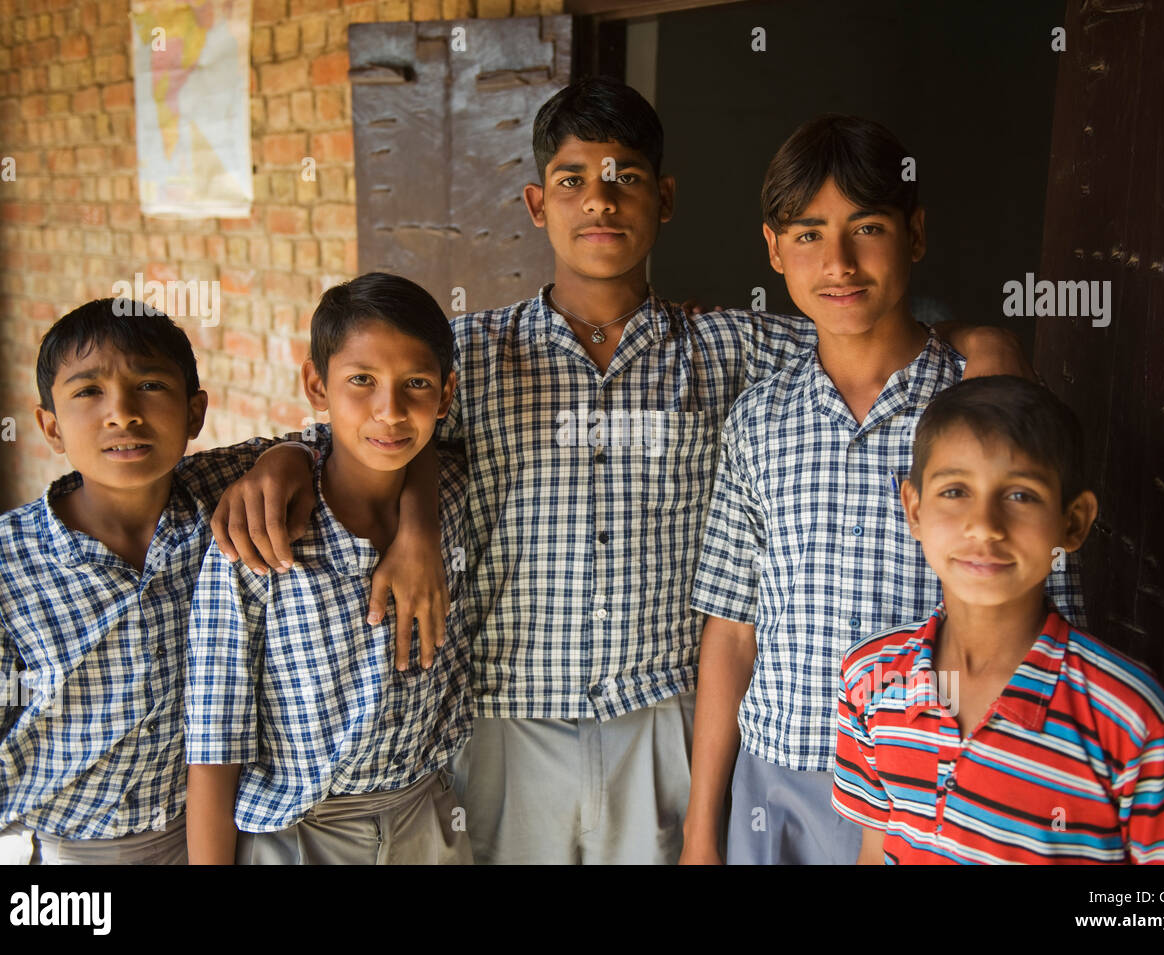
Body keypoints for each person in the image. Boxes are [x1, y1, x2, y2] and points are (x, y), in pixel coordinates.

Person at [215, 79, 1033, 865]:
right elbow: (374, 425)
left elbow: (858, 328)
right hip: (506, 718)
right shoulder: (472, 353)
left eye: (625, 179)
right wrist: (289, 455)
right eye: (571, 180)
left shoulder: (729, 349)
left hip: (661, 723)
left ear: (665, 202)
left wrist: (981, 343)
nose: (599, 201)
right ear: (538, 204)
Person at [682, 115, 1085, 865]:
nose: (838, 261)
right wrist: (703, 829)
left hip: (938, 788)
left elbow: (1053, 620)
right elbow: (733, 631)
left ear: (915, 234)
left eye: (866, 228)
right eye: (807, 234)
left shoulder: (985, 408)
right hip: (778, 788)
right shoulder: (760, 419)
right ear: (773, 249)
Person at [0, 299, 313, 864]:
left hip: (205, 838)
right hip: (60, 849)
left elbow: (332, 440)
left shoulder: (218, 497)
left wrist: (288, 458)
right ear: (50, 426)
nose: (121, 413)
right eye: (87, 392)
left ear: (195, 412)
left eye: (149, 386)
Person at [831, 375, 1164, 864]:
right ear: (914, 509)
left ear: (1073, 522)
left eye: (1021, 496)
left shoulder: (1132, 719)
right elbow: (876, 850)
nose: (985, 527)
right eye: (955, 491)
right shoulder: (870, 677)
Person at [184, 273, 471, 865]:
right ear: (318, 385)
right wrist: (284, 455)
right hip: (300, 833)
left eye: (415, 384)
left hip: (426, 817)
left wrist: (420, 525)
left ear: (445, 397)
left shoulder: (457, 494)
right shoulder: (258, 536)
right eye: (360, 381)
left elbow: (427, 456)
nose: (389, 410)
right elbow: (214, 745)